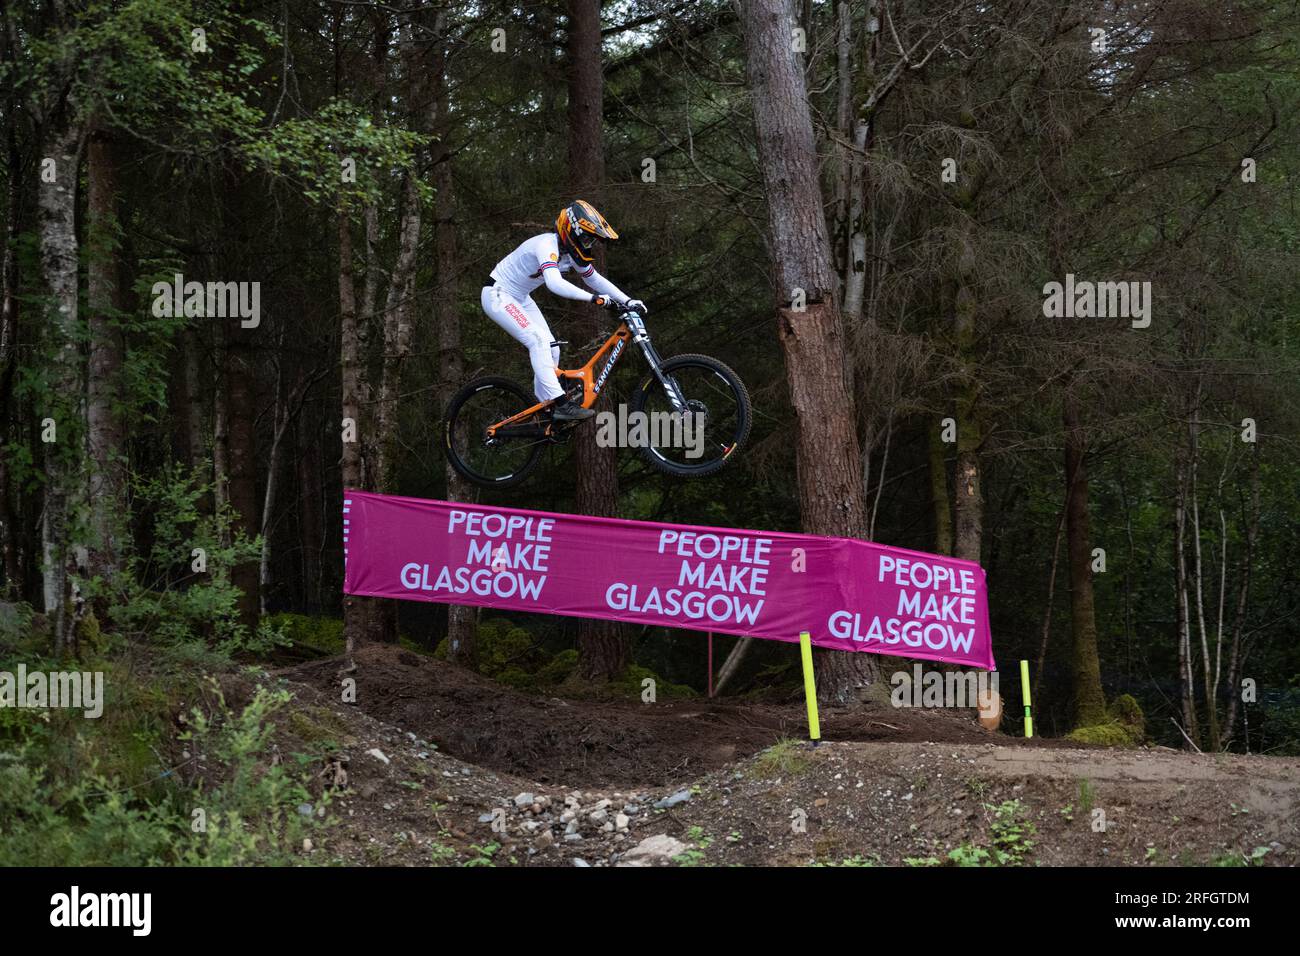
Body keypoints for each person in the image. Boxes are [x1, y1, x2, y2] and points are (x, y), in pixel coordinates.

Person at [481, 200, 646, 421]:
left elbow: (594, 278)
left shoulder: (568, 254)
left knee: (552, 349)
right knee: (538, 341)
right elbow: (554, 283)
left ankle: (545, 409)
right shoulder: (547, 245)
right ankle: (560, 404)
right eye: (586, 239)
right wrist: (594, 299)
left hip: (519, 297)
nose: (588, 245)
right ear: (572, 231)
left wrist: (628, 300)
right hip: (498, 294)